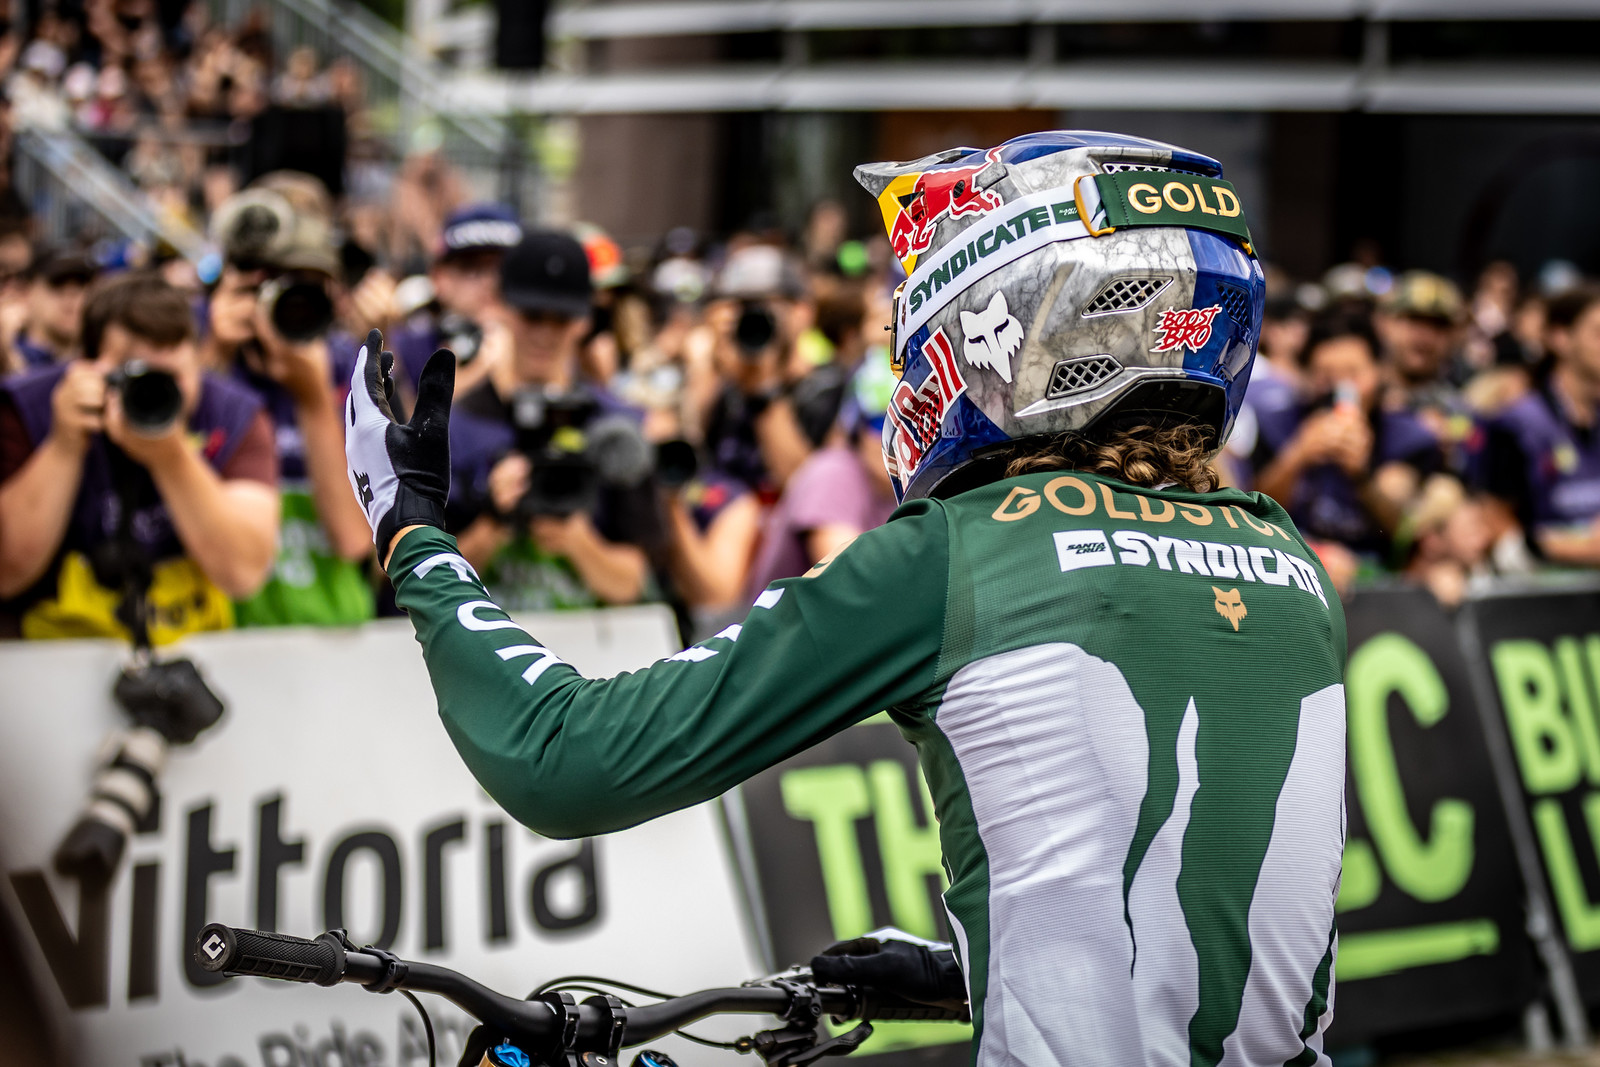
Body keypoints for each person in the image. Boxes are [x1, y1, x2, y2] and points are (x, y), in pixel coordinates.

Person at [348, 132, 1346, 1066]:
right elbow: (1209, 904)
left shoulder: (958, 554)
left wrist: (415, 537)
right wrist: (973, 962)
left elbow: (562, 758)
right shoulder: (1285, 557)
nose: (900, 341)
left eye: (908, 308)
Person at [0, 272, 279, 642]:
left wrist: (173, 457)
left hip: (189, 650)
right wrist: (63, 445)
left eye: (173, 377)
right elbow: (7, 571)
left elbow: (243, 573)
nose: (156, 392)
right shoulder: (28, 408)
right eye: (139, 374)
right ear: (89, 366)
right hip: (47, 653)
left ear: (198, 361)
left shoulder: (234, 416)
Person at [445, 228, 657, 611]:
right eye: (531, 315)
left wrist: (577, 540)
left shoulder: (615, 425)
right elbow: (423, 582)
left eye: (560, 318)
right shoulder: (456, 427)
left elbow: (631, 582)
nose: (544, 333)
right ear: (502, 307)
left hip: (581, 658)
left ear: (583, 320)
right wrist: (493, 522)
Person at [202, 182, 373, 625]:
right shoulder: (210, 363)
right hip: (222, 623)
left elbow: (354, 541)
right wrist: (215, 354)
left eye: (314, 287)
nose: (298, 304)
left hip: (331, 626)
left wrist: (314, 399)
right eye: (281, 286)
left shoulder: (352, 370)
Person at [1255, 310, 1442, 563]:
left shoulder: (1406, 436)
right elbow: (1252, 513)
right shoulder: (1279, 423)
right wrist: (1298, 455)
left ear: (1379, 372)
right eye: (1326, 376)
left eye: (1353, 374)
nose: (1341, 389)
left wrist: (1362, 475)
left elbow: (1404, 532)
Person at [1483, 284, 1600, 565]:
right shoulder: (1517, 422)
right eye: (1598, 333)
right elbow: (1495, 519)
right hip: (1539, 590)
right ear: (1560, 338)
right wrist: (1572, 548)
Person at [11, 247, 95, 369]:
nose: (71, 299)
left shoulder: (97, 361)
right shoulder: (8, 362)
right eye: (58, 285)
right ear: (26, 293)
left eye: (80, 287)